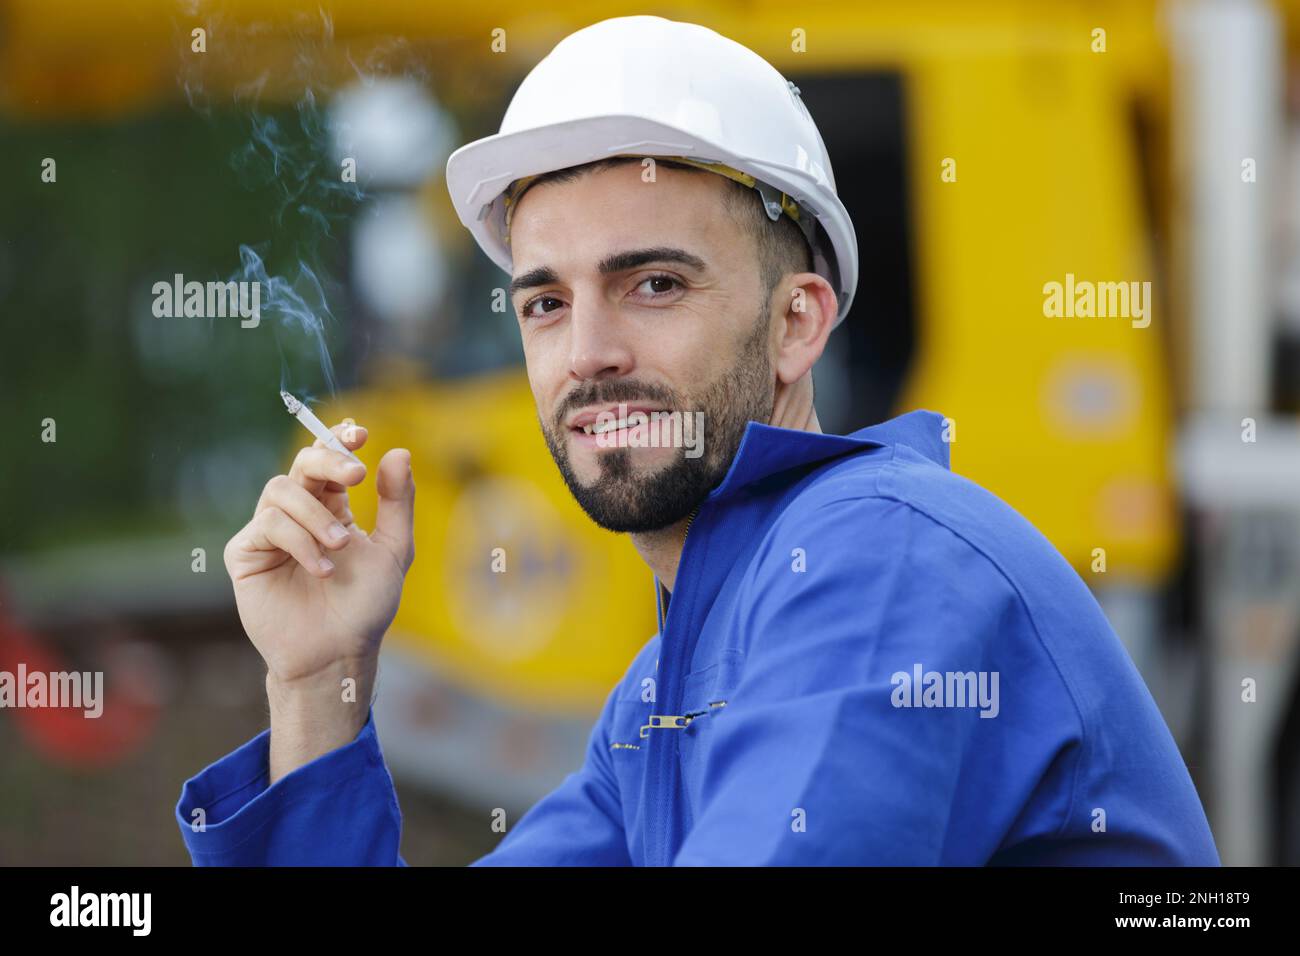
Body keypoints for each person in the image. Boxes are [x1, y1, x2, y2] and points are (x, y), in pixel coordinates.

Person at [175, 15, 1220, 865]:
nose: (586, 351)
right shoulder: (661, 696)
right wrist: (317, 682)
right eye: (544, 303)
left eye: (654, 283)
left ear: (796, 322)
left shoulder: (877, 557)